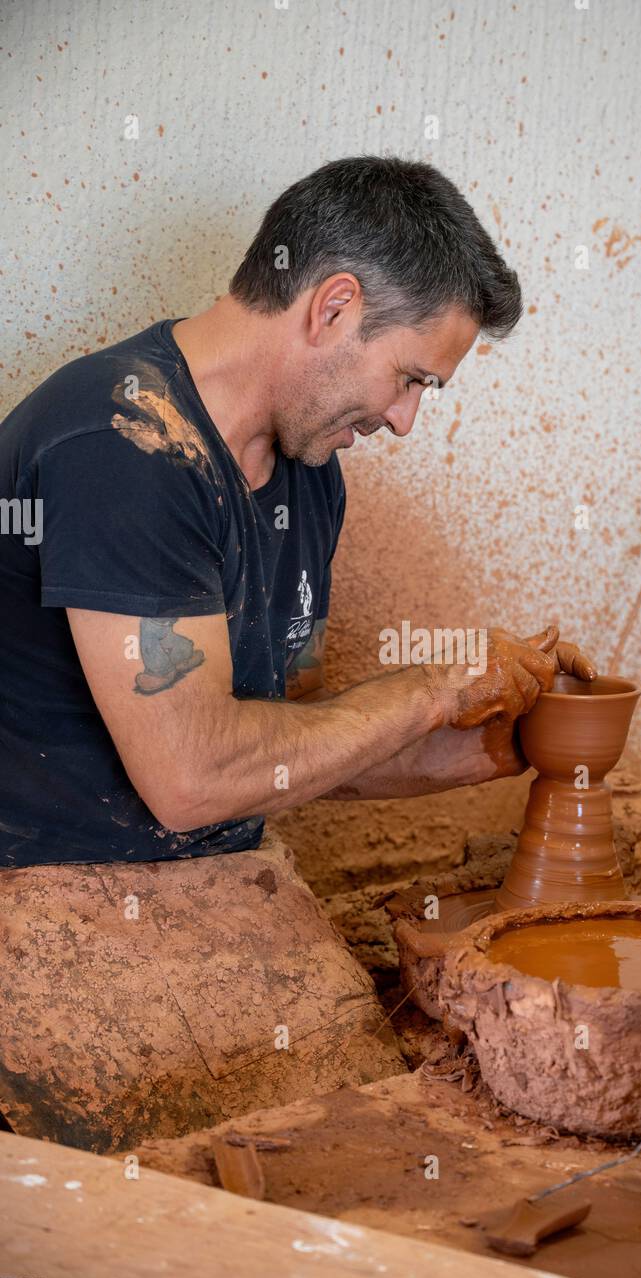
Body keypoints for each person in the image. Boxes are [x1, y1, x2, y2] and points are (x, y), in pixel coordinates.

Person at [0, 155, 594, 1145]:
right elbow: (193, 775)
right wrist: (431, 683)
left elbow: (282, 748)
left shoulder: (308, 473)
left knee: (387, 1142)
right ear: (331, 306)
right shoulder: (123, 441)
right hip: (44, 895)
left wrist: (506, 744)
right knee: (204, 1195)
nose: (404, 420)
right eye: (410, 378)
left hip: (221, 882)